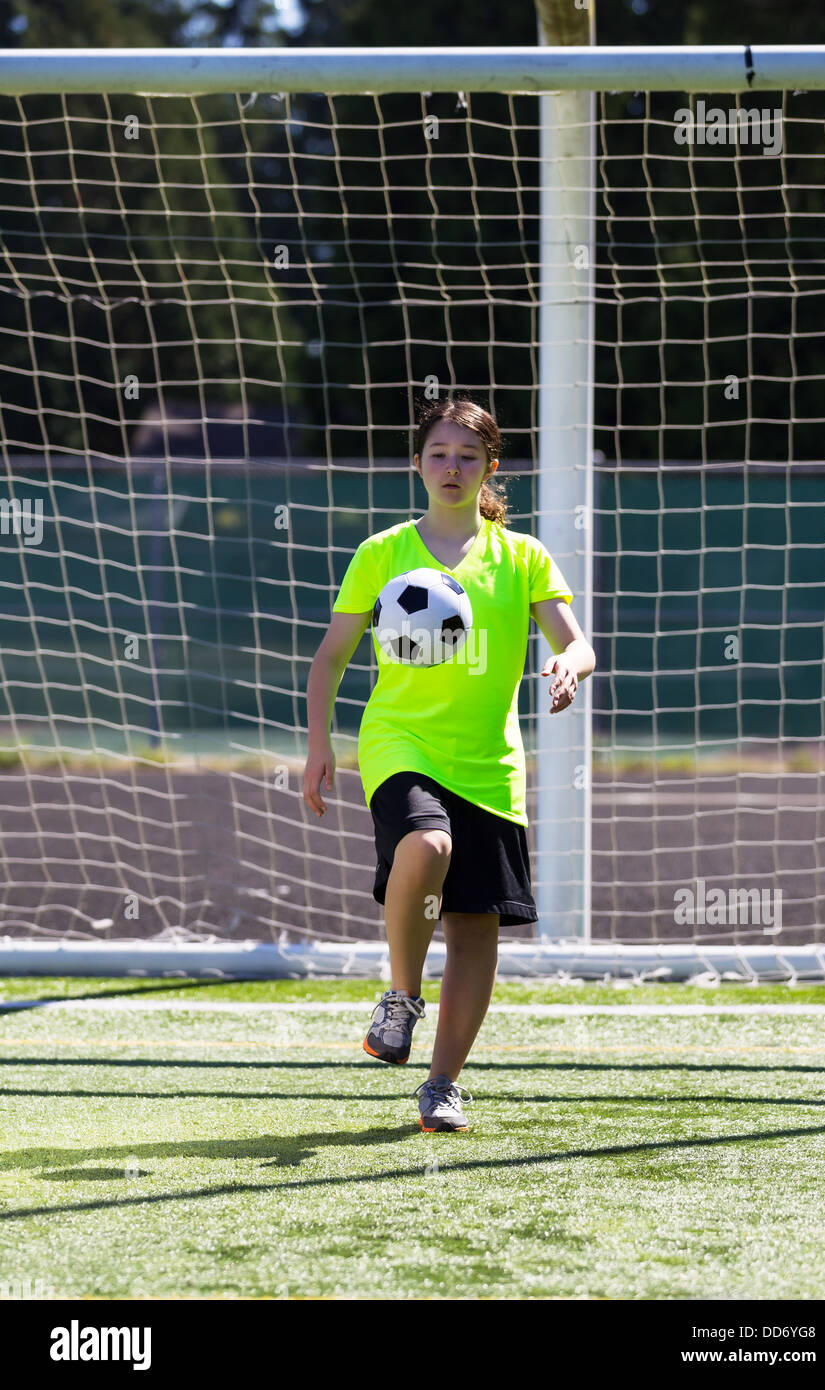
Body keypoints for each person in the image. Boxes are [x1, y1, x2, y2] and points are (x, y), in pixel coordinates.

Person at [303, 396, 595, 1131]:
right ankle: (401, 996)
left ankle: (441, 1084)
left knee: (473, 928)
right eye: (438, 453)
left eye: (468, 456)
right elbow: (331, 659)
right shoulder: (382, 553)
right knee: (426, 844)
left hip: (490, 764)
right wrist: (318, 748)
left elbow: (578, 642)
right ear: (417, 463)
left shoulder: (522, 556)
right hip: (401, 741)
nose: (452, 467)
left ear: (490, 468)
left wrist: (569, 666)